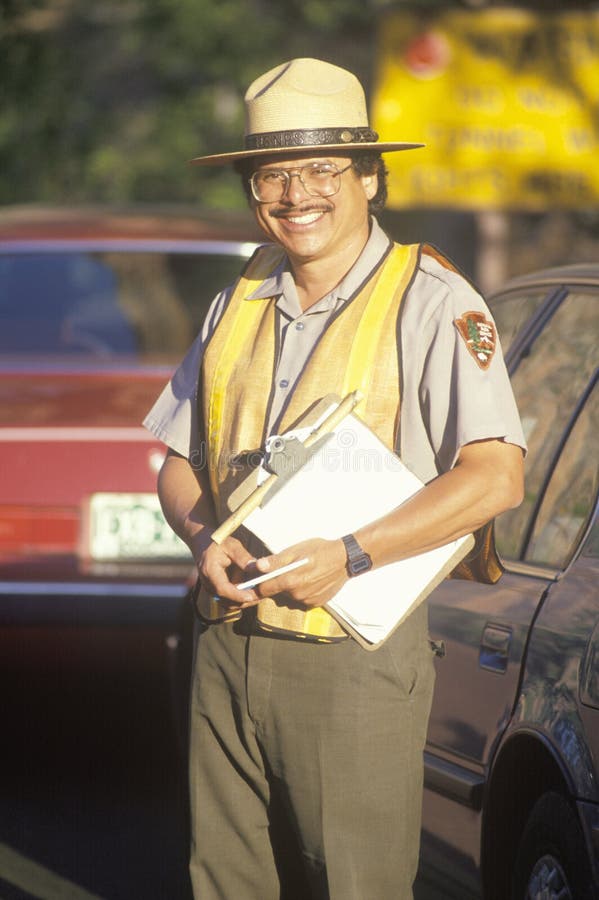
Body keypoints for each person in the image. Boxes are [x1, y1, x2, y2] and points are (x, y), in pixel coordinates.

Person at [144, 58, 526, 900]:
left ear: (370, 179)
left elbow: (496, 478)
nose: (296, 194)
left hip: (351, 653)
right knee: (225, 880)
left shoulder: (433, 302)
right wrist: (205, 536)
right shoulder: (236, 297)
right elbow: (177, 464)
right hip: (224, 639)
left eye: (322, 169)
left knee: (353, 885)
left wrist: (349, 555)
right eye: (272, 173)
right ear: (250, 189)